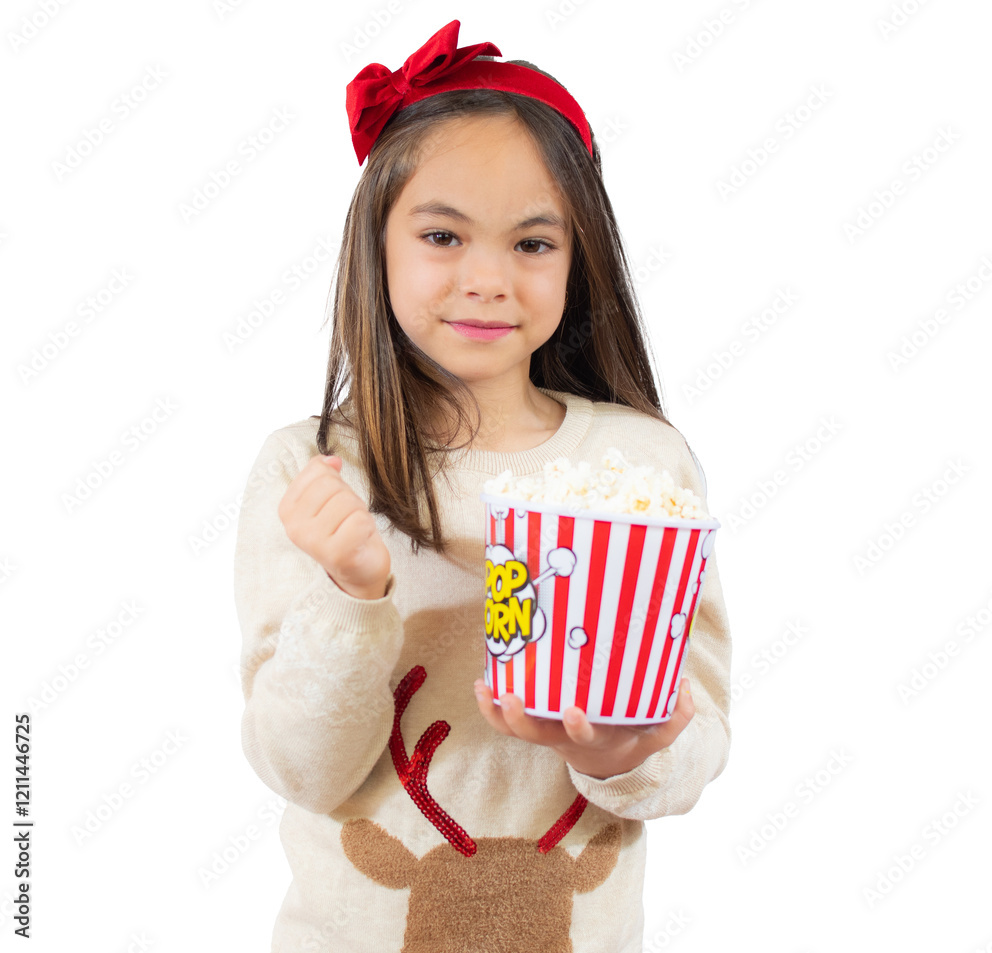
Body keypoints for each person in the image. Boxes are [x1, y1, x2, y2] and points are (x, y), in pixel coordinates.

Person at [234, 19, 732, 952]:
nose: (487, 278)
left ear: (580, 257)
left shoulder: (643, 467)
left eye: (533, 244)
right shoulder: (314, 473)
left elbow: (697, 745)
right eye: (442, 234)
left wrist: (628, 750)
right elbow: (300, 767)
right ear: (374, 244)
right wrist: (351, 589)